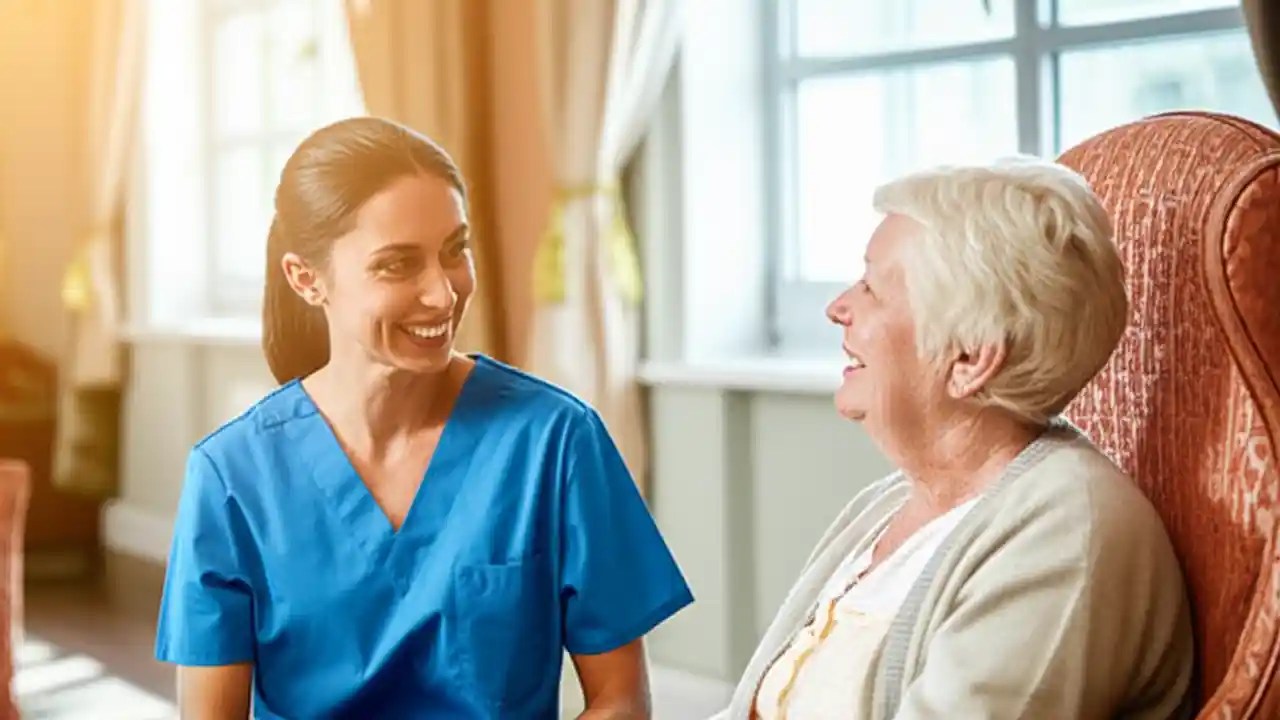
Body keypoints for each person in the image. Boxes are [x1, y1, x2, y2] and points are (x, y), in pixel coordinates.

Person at [154, 116, 693, 719]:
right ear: (307, 279)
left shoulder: (556, 441)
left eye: (455, 251)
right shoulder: (231, 476)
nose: (443, 293)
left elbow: (620, 700)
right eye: (397, 264)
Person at [716, 158, 1193, 719]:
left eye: (872, 288)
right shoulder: (893, 504)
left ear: (970, 357)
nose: (838, 307)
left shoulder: (1067, 533)